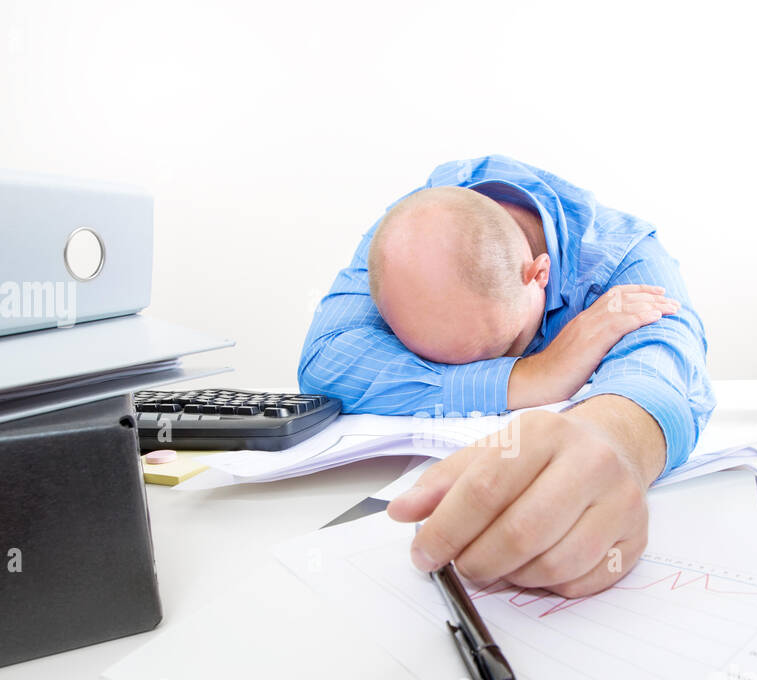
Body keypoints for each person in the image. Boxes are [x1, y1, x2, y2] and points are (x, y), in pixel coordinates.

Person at [299, 155, 714, 597]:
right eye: (435, 358)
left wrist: (615, 442)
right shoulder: (410, 237)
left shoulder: (627, 258)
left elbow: (666, 372)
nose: (472, 368)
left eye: (503, 347)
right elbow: (327, 363)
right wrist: (531, 375)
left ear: (539, 274)